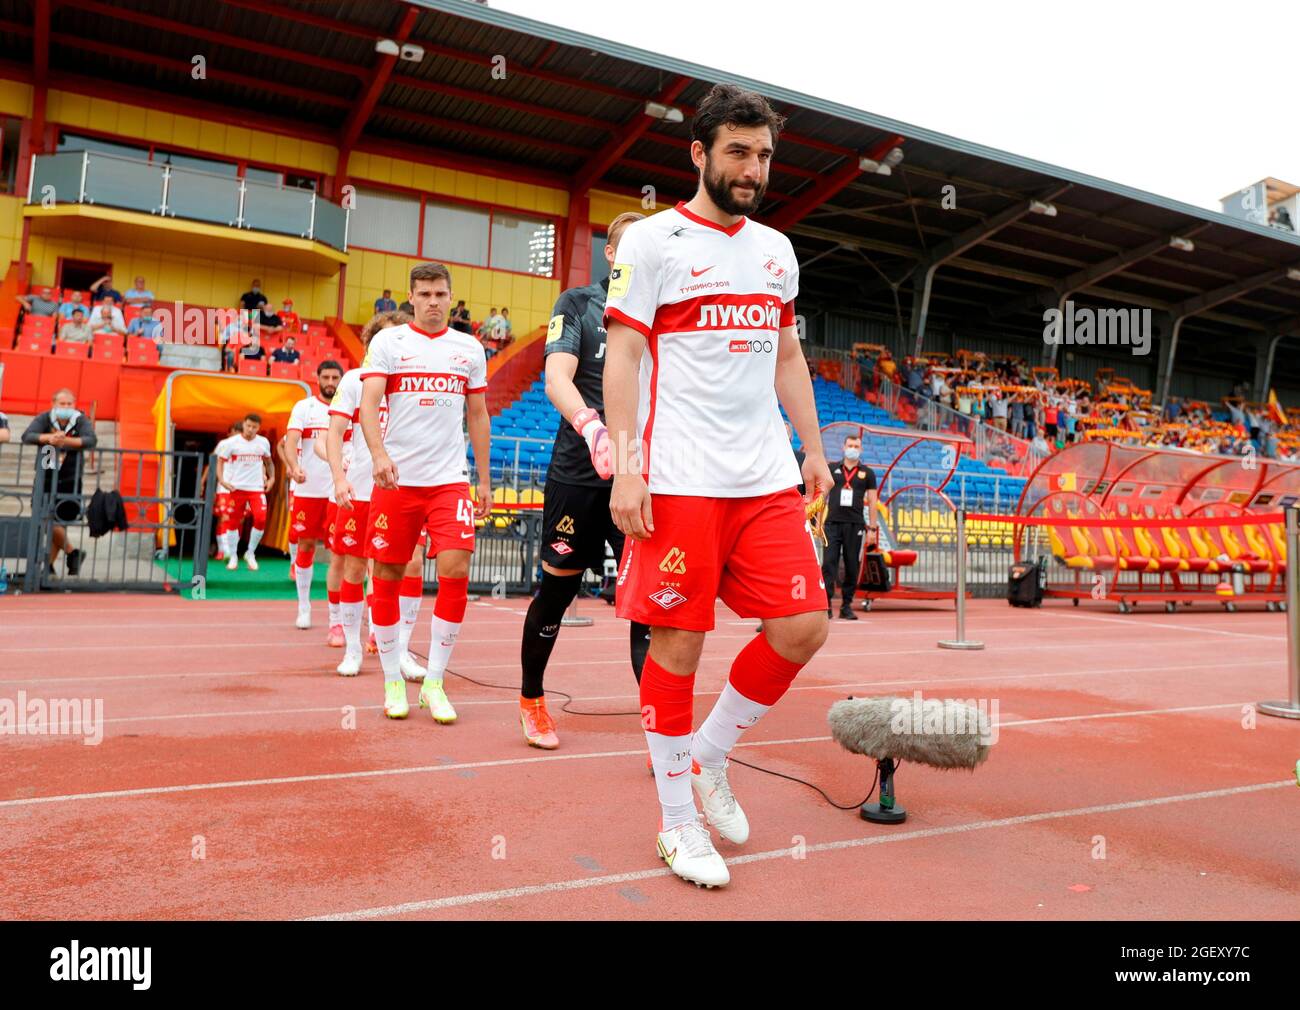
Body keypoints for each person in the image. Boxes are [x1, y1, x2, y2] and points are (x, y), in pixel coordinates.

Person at [603, 83, 831, 889]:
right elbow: (623, 358)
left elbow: (788, 355)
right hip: (678, 481)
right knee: (679, 643)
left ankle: (708, 756)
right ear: (699, 153)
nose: (753, 167)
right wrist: (628, 465)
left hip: (765, 475)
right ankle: (675, 823)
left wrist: (811, 446)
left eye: (763, 154)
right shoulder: (655, 242)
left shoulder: (777, 249)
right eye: (737, 150)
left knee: (804, 627)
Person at [517, 211, 651, 750]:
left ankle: (659, 727)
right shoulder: (578, 304)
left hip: (639, 477)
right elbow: (556, 378)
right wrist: (592, 426)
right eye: (629, 247)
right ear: (612, 255)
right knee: (558, 589)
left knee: (649, 602)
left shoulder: (665, 314)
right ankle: (531, 700)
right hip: (579, 472)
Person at [359, 262, 491, 723]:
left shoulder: (470, 349)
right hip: (397, 482)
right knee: (389, 575)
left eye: (440, 294)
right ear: (410, 298)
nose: (433, 302)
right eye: (425, 294)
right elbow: (369, 403)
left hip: (450, 480)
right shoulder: (388, 343)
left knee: (456, 568)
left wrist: (485, 480)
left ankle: (434, 681)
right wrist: (378, 456)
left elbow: (477, 416)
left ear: (451, 297)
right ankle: (392, 679)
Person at [324, 310, 426, 677]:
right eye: (385, 336)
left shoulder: (416, 380)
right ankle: (352, 648)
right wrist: (339, 478)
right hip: (362, 491)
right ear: (370, 342)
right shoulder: (353, 381)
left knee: (410, 565)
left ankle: (400, 650)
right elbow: (333, 433)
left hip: (406, 491)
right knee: (354, 566)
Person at [285, 361, 344, 631]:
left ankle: (337, 615)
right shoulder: (304, 407)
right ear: (317, 378)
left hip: (339, 491)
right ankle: (304, 607)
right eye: (326, 377)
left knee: (339, 553)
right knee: (306, 545)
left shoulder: (348, 407)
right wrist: (295, 466)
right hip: (309, 490)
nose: (330, 382)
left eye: (335, 377)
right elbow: (291, 442)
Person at [22, 389, 97, 577]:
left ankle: (47, 570)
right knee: (45, 519)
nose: (65, 407)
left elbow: (90, 440)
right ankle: (73, 552)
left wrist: (65, 441)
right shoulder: (45, 418)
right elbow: (27, 435)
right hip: (45, 478)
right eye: (62, 404)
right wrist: (48, 438)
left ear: (74, 404)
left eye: (69, 404)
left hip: (70, 479)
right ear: (53, 403)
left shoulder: (80, 420)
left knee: (59, 523)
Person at [820, 433, 878, 620]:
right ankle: (826, 605)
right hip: (832, 523)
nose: (853, 449)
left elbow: (873, 501)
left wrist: (872, 529)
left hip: (856, 525)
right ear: (843, 447)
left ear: (860, 449)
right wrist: (818, 522)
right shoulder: (832, 468)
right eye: (850, 445)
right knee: (829, 564)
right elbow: (822, 496)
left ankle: (846, 606)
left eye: (856, 446)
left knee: (852, 565)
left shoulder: (867, 473)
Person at [215, 414, 274, 570]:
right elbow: (220, 461)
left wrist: (272, 478)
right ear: (244, 424)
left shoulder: (263, 442)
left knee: (261, 519)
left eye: (254, 427)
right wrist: (222, 480)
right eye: (248, 425)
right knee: (232, 521)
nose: (250, 429)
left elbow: (269, 462)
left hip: (256, 488)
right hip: (236, 488)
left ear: (258, 428)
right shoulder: (231, 443)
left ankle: (250, 553)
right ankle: (233, 555)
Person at [208, 422, 241, 561]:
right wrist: (207, 483)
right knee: (224, 518)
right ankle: (223, 550)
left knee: (238, 519)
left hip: (241, 488)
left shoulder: (249, 445)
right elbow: (213, 462)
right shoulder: (224, 444)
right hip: (224, 488)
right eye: (235, 432)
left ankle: (233, 550)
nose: (237, 435)